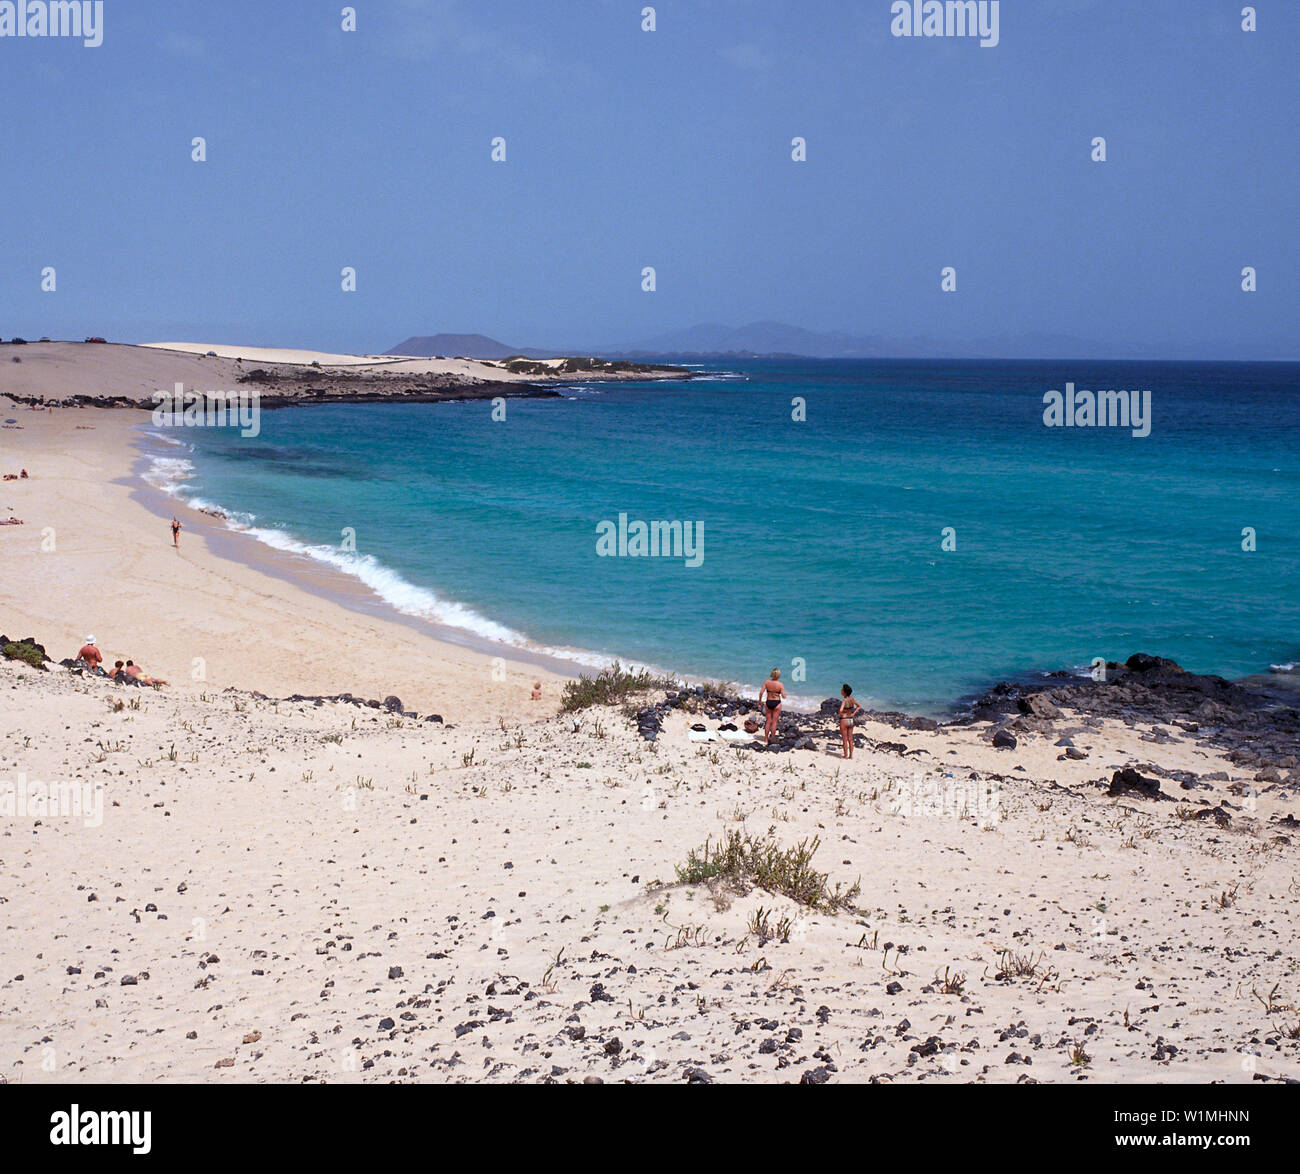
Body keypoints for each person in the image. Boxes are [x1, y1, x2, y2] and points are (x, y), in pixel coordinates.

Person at [758, 667, 785, 746]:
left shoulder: (767, 682)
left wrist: (759, 701)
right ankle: (772, 739)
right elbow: (783, 696)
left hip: (768, 702)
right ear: (778, 676)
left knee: (768, 721)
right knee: (774, 722)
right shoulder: (780, 684)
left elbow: (761, 693)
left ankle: (766, 739)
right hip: (777, 703)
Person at [838, 683, 862, 758]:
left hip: (844, 720)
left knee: (844, 740)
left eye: (842, 689)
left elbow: (840, 710)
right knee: (850, 739)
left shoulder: (844, 700)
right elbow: (859, 706)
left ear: (844, 692)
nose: (841, 690)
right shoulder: (852, 699)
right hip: (851, 720)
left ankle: (845, 756)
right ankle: (851, 756)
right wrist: (853, 714)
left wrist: (842, 714)